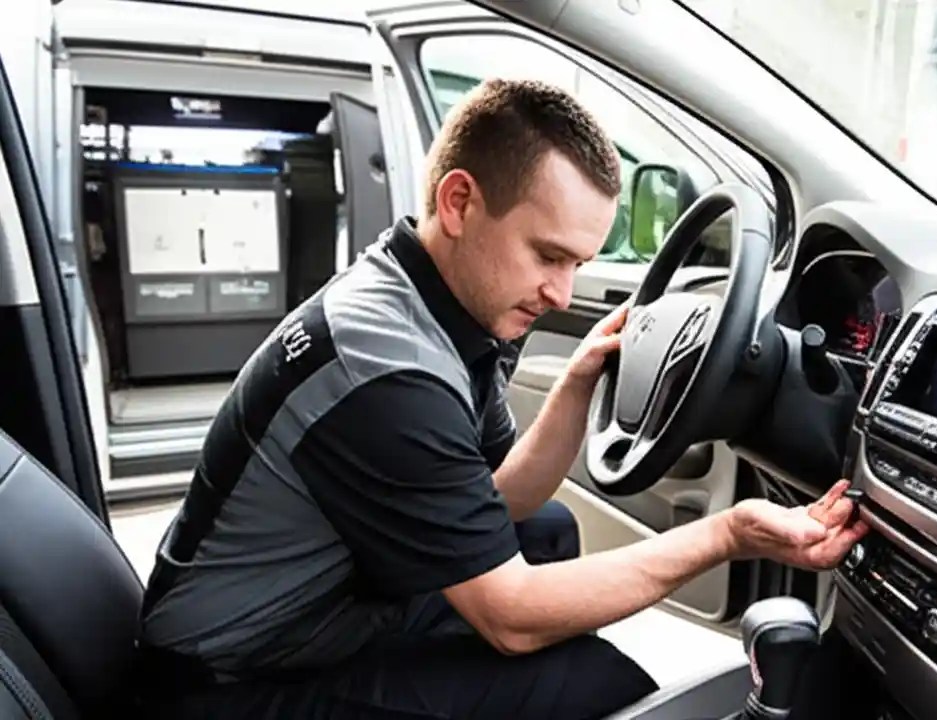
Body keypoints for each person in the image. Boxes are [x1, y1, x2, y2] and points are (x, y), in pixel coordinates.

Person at [134, 77, 870, 720]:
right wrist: (726, 535)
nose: (562, 294)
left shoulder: (433, 303)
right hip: (230, 677)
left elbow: (502, 497)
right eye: (548, 256)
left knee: (544, 530)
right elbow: (511, 618)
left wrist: (579, 381)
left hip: (322, 605)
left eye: (579, 263)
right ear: (459, 201)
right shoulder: (388, 375)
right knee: (596, 683)